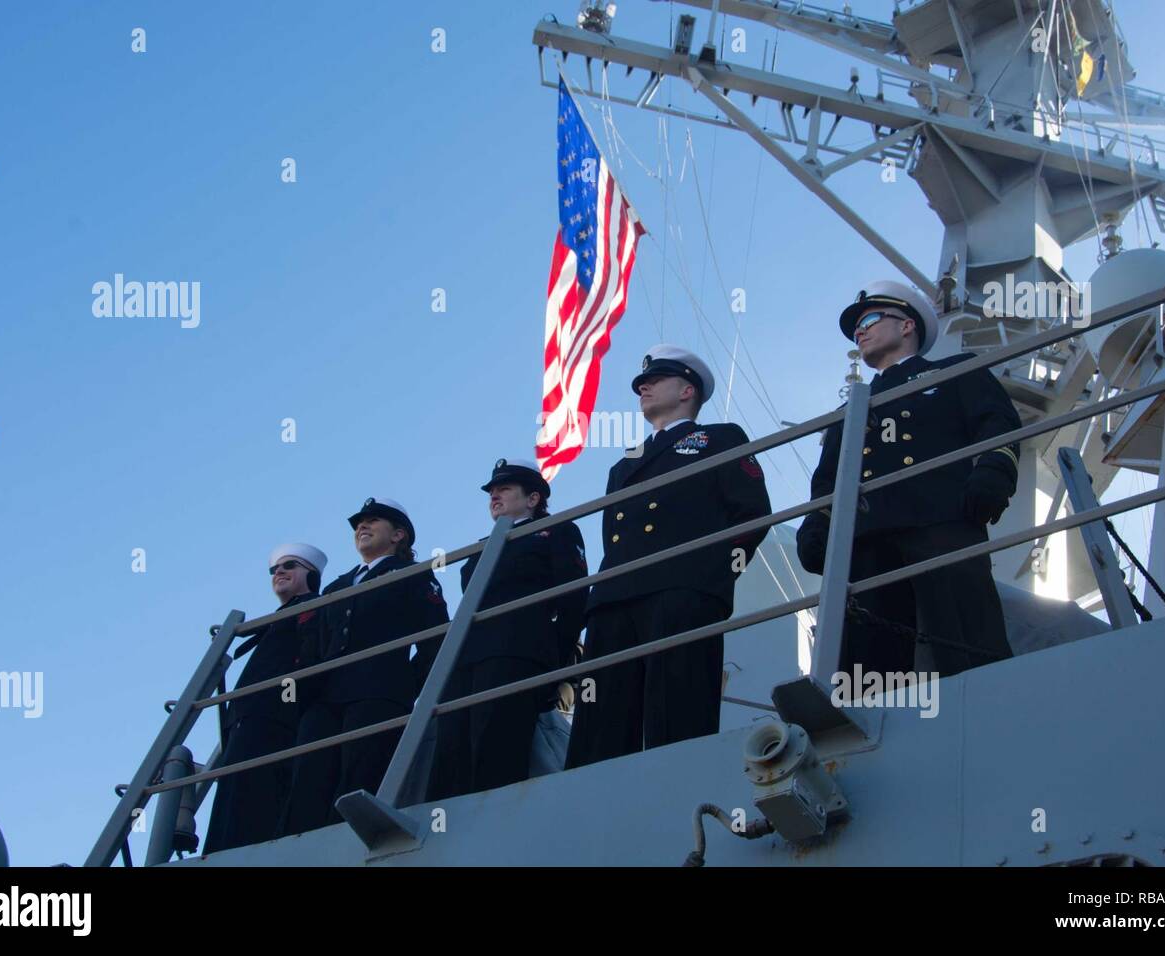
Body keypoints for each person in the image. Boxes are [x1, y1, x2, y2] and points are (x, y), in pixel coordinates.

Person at [797, 279, 1021, 681]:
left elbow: (996, 422)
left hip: (940, 522)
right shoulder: (847, 414)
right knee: (865, 665)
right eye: (855, 327)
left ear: (906, 326)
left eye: (869, 318)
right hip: (867, 540)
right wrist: (816, 524)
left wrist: (993, 470)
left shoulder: (953, 372)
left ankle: (989, 705)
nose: (859, 330)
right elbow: (827, 481)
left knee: (967, 639)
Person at [566, 345, 772, 769]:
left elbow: (752, 514)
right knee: (600, 720)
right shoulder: (624, 465)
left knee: (677, 710)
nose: (644, 387)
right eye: (643, 381)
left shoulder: (719, 438)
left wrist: (713, 578)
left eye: (656, 379)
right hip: (616, 597)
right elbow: (613, 538)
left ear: (686, 391)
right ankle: (591, 800)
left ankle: (680, 786)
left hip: (683, 588)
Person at [280, 497, 448, 834]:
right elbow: (314, 645)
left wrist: (402, 687)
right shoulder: (338, 585)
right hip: (326, 699)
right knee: (308, 780)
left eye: (373, 521)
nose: (362, 527)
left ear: (399, 535)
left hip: (377, 694)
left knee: (359, 778)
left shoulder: (413, 574)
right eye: (359, 523)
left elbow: (435, 641)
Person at [428, 458, 588, 799]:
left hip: (518, 653)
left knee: (497, 744)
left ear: (532, 498)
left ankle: (492, 818)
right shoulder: (481, 546)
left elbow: (573, 599)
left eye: (504, 489)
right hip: (467, 657)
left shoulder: (557, 531)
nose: (494, 497)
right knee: (452, 746)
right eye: (491, 492)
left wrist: (554, 667)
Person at [203, 543, 326, 854]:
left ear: (311, 576)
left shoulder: (313, 607)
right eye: (275, 569)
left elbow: (311, 659)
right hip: (248, 718)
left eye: (290, 566)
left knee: (254, 794)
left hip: (274, 719)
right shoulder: (278, 618)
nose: (279, 572)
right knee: (234, 791)